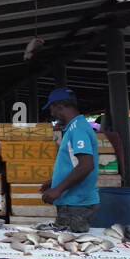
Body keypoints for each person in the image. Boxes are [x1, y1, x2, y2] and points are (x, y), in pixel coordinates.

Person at [40, 88, 100, 233]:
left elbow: (86, 165)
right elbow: (74, 163)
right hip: (72, 202)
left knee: (71, 247)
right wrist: (53, 181)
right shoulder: (74, 127)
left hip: (76, 204)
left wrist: (58, 190)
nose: (52, 114)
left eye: (52, 109)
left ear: (59, 106)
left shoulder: (77, 129)